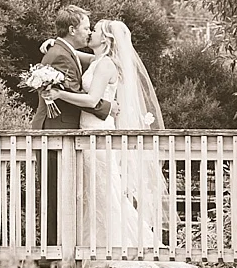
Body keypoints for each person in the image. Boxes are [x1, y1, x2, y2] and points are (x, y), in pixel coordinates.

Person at [45, 19, 172, 250]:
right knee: (94, 193)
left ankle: (117, 246)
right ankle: (94, 244)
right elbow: (73, 54)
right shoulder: (97, 60)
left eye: (95, 31)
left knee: (104, 192)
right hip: (90, 130)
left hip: (98, 132)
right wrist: (56, 43)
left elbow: (92, 100)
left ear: (105, 39)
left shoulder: (105, 65)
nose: (90, 32)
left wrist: (59, 95)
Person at [30, 5, 117, 246]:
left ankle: (64, 245)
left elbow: (75, 86)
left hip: (71, 130)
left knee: (69, 192)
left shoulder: (71, 54)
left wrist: (54, 42)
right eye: (87, 28)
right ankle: (55, 247)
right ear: (72, 29)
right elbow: (73, 93)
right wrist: (107, 107)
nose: (89, 33)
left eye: (93, 30)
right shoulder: (60, 54)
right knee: (56, 192)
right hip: (56, 129)